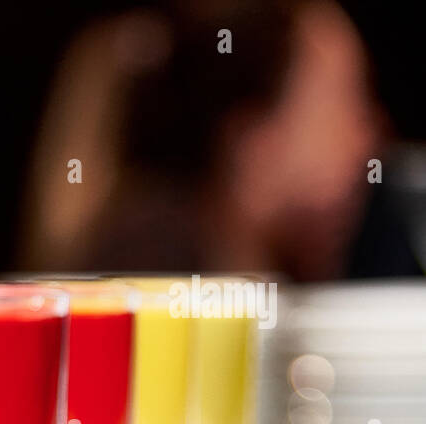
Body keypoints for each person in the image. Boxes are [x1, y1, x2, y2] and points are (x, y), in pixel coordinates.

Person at [20, 0, 384, 280]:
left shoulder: (243, 275)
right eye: (350, 107)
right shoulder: (147, 289)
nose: (369, 142)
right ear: (251, 144)